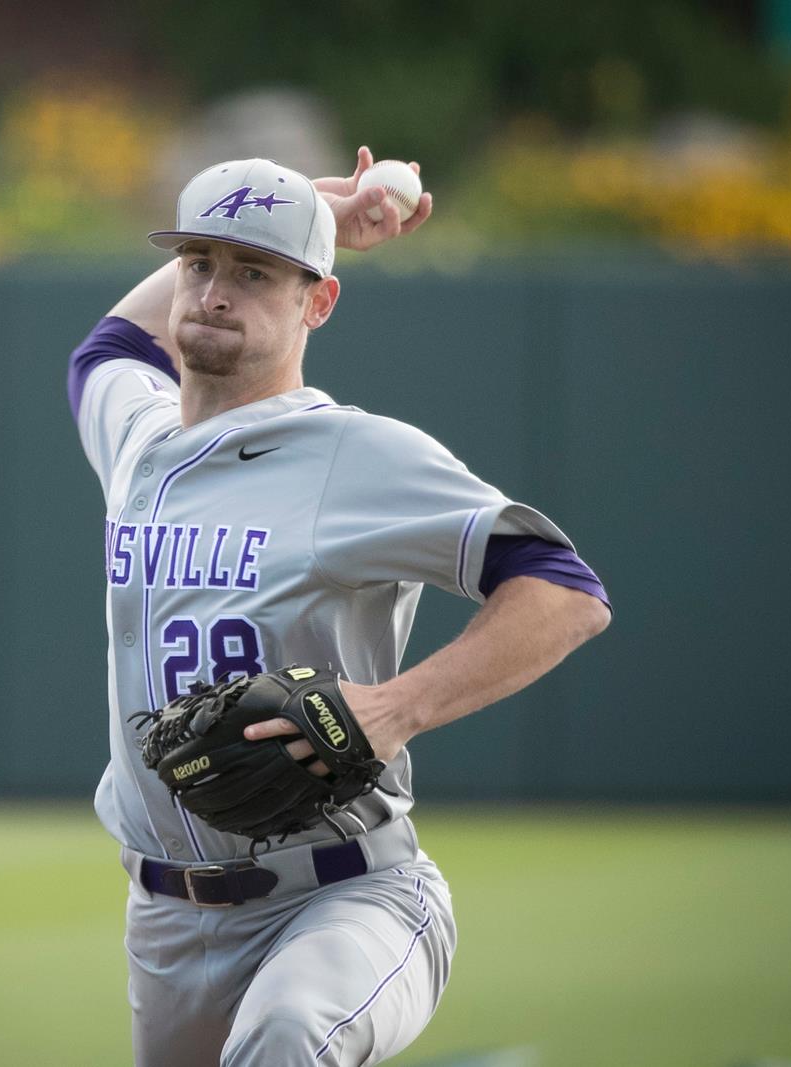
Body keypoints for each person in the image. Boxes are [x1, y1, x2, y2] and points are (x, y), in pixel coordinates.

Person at [66, 148, 611, 1066]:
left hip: (343, 894)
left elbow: (565, 589)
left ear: (318, 302)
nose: (214, 293)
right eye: (199, 263)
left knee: (287, 1038)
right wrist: (300, 208)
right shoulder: (138, 439)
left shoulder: (354, 455)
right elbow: (107, 349)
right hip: (164, 922)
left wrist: (395, 708)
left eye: (255, 272)